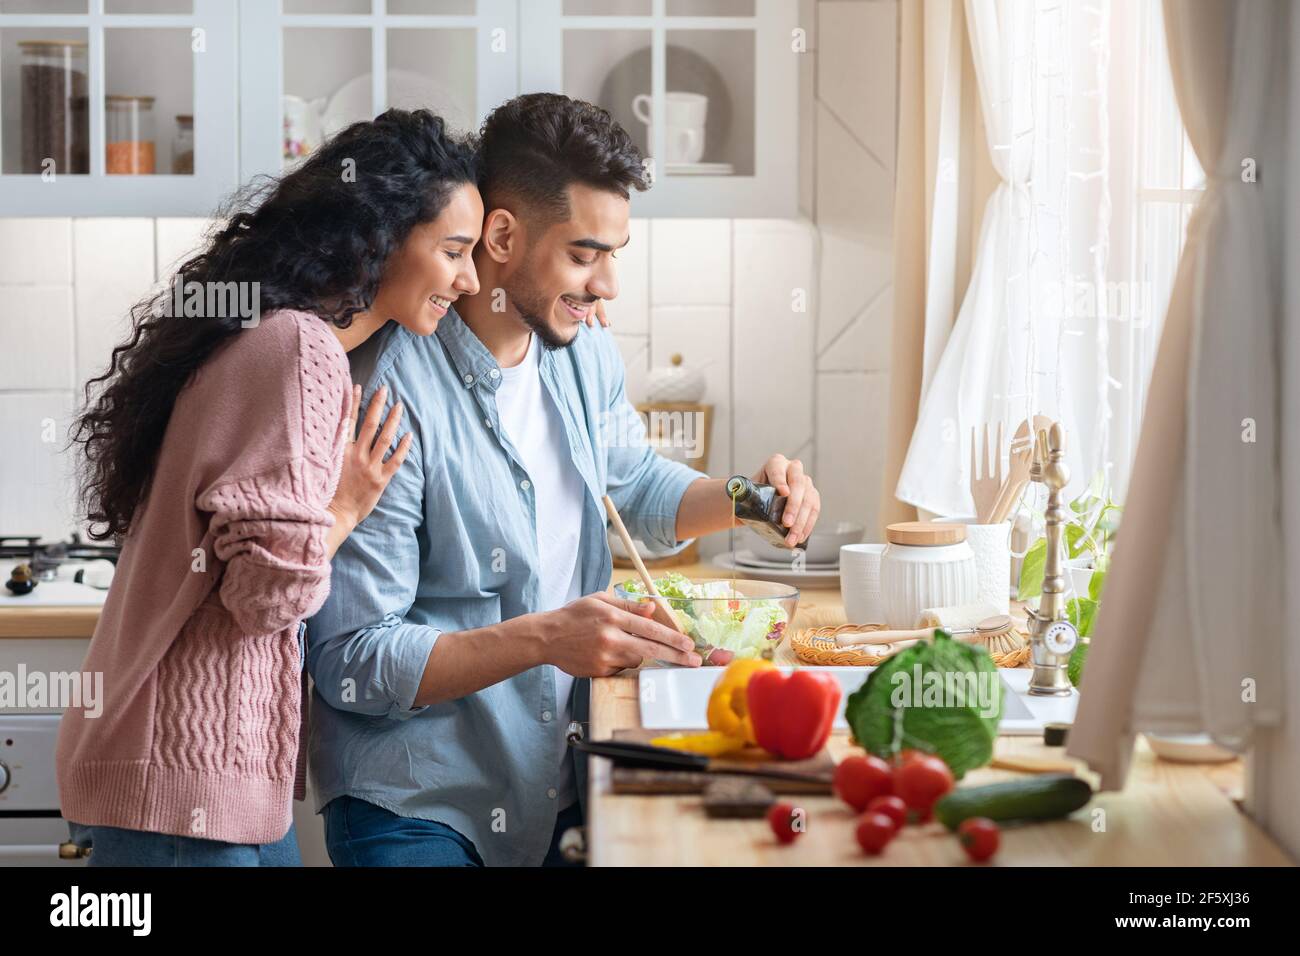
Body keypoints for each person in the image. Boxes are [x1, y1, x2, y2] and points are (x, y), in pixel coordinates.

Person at [307, 93, 822, 867]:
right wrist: (550, 638)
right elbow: (353, 659)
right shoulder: (388, 391)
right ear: (504, 236)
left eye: (614, 254)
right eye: (585, 255)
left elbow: (635, 488)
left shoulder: (580, 352)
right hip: (419, 800)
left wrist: (750, 499)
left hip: (551, 779)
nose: (608, 284)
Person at [55, 109, 485, 866]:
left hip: (198, 783)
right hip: (185, 795)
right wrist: (346, 506)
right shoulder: (300, 349)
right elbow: (265, 597)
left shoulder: (268, 333)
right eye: (454, 251)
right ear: (381, 237)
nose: (471, 278)